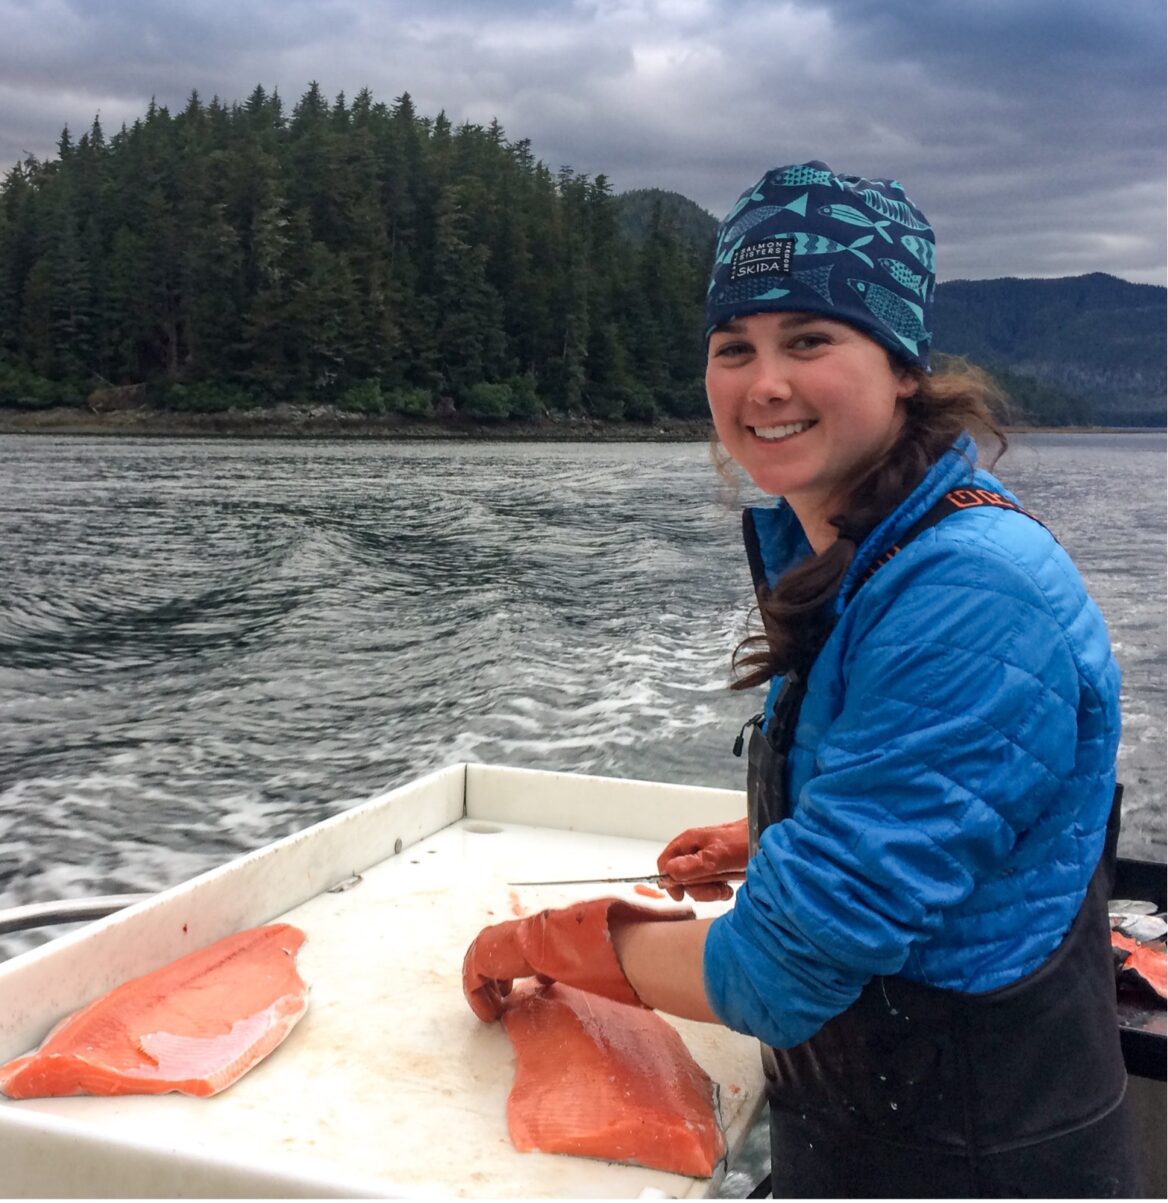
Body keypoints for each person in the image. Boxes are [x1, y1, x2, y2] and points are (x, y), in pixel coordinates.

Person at [461, 161, 1140, 1197]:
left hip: (977, 1162)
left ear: (901, 365)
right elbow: (946, 799)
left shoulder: (972, 593)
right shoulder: (869, 549)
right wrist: (771, 841)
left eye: (809, 341)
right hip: (876, 1135)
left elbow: (772, 976)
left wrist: (554, 942)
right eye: (733, 348)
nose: (762, 383)